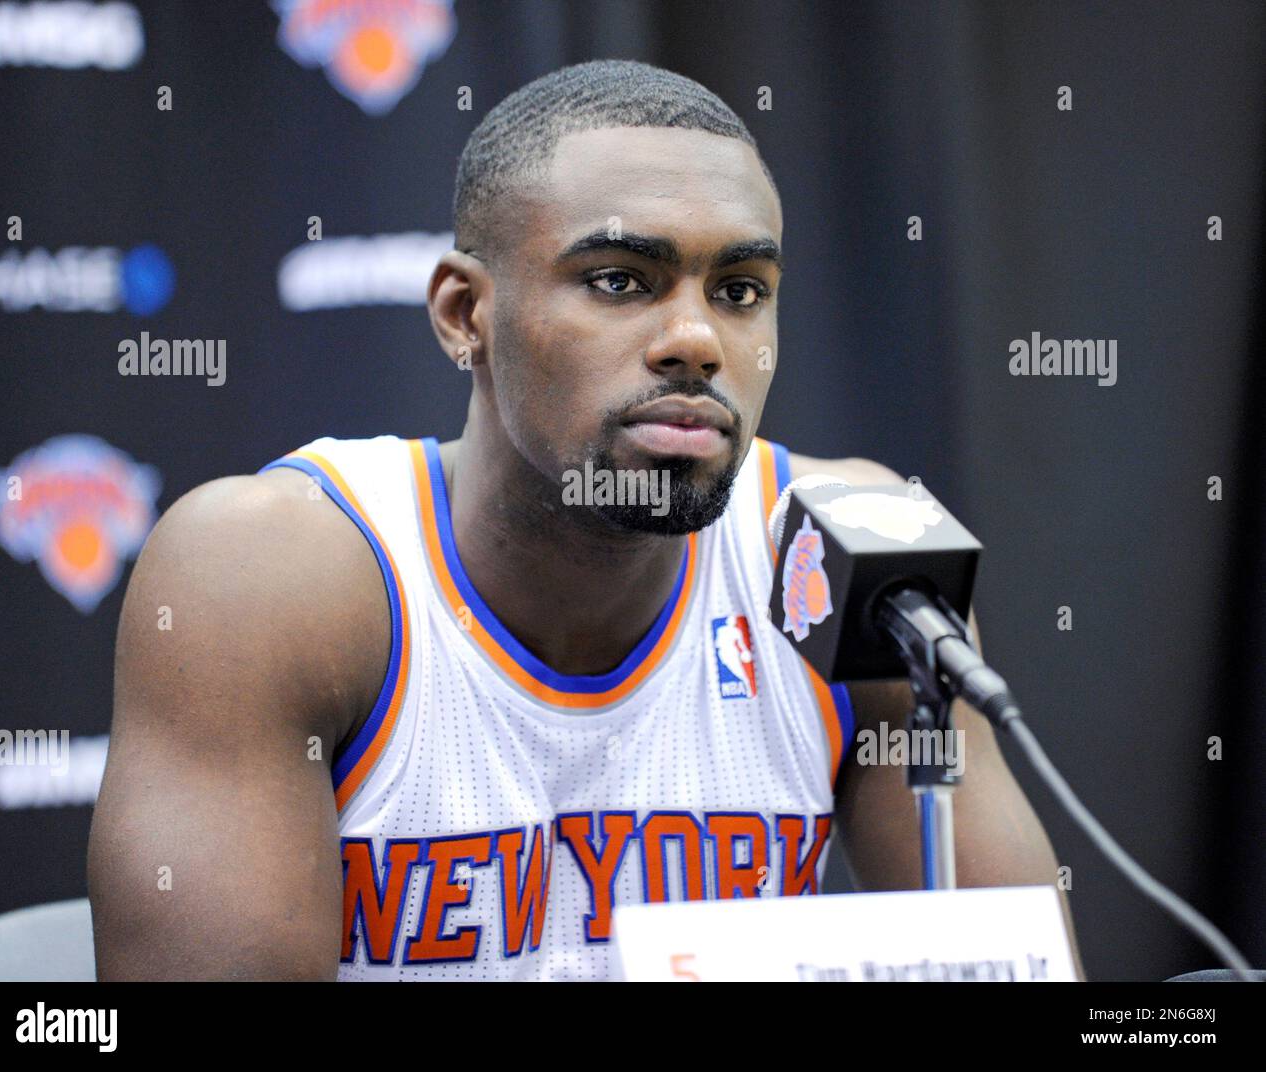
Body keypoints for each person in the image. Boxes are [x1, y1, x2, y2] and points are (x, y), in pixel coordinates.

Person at [87, 59, 1076, 981]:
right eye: (619, 280)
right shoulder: (270, 571)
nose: (693, 339)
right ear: (463, 314)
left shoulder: (854, 553)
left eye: (739, 292)